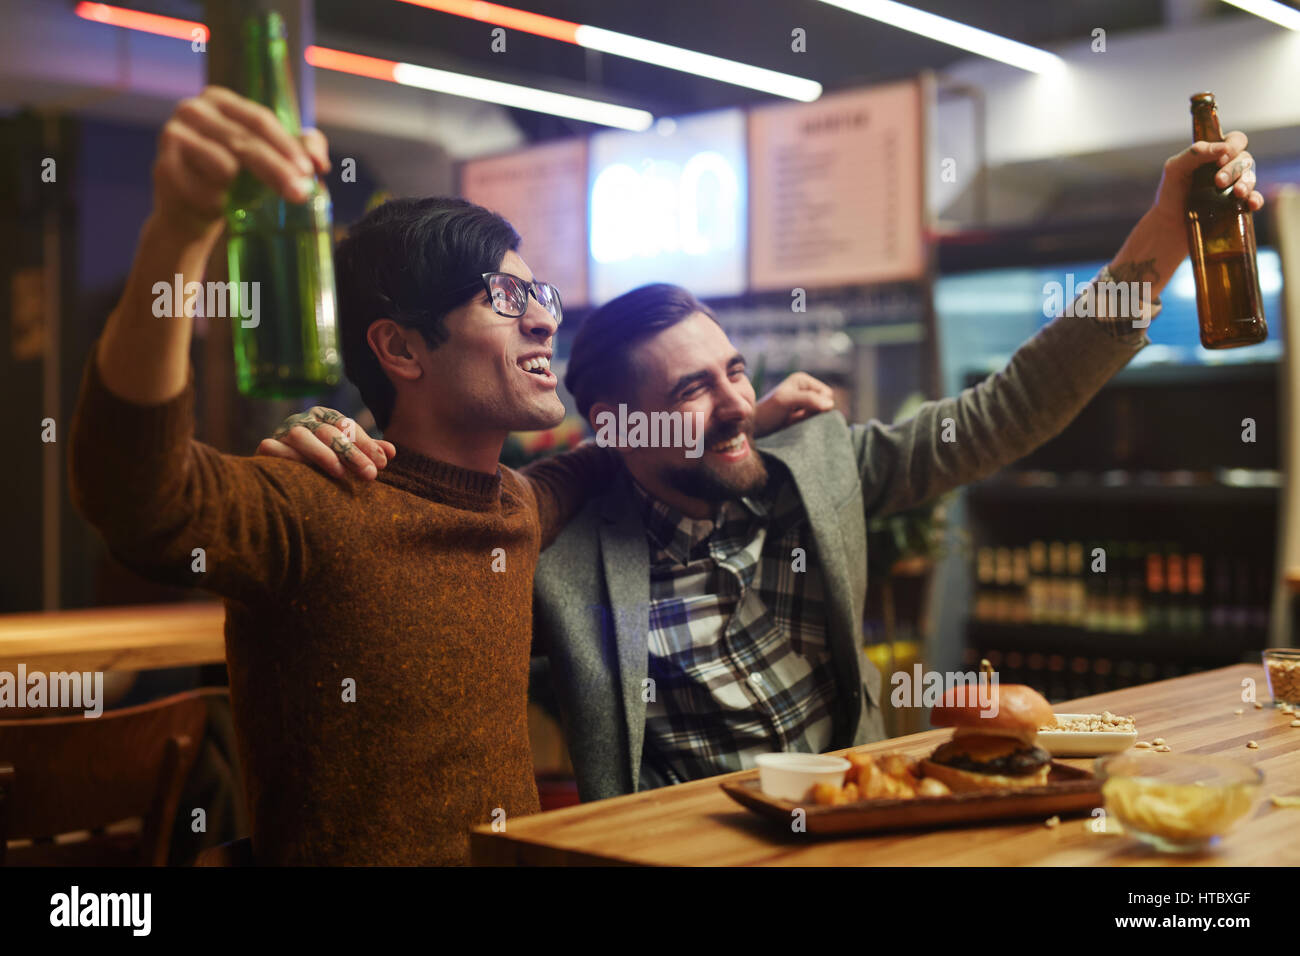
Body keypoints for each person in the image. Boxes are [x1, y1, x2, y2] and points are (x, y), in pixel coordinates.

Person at [270, 127, 1264, 801]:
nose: (738, 403)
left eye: (734, 370)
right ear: (616, 426)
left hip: (868, 822)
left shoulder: (813, 469)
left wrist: (1161, 240)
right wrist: (336, 431)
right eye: (690, 392)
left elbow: (1013, 404)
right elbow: (427, 530)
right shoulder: (559, 546)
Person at [70, 85, 626, 865]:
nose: (544, 319)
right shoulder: (317, 502)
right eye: (505, 296)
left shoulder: (514, 507)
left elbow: (604, 460)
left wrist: (736, 420)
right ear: (400, 350)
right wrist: (181, 231)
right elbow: (138, 494)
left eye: (540, 293)